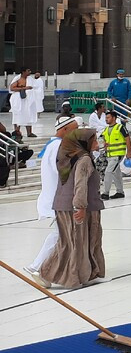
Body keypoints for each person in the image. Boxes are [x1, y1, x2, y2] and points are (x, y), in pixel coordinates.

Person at [39, 128, 105, 288]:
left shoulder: (69, 157)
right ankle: (50, 273)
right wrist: (80, 206)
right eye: (94, 141)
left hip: (62, 205)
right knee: (75, 242)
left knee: (72, 241)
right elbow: (80, 184)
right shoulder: (84, 160)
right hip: (76, 207)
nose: (97, 144)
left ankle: (85, 273)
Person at [23, 116, 80, 286]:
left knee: (63, 234)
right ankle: (37, 266)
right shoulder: (59, 147)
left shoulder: (53, 145)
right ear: (64, 130)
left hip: (56, 198)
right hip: (58, 200)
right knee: (61, 234)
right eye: (74, 129)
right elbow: (65, 173)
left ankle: (52, 269)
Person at [99, 111, 131, 200]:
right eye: (106, 118)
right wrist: (103, 144)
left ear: (114, 118)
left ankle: (105, 193)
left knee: (108, 172)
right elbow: (101, 139)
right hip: (109, 155)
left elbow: (128, 140)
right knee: (116, 174)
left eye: (108, 117)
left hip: (117, 155)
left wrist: (129, 152)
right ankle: (120, 192)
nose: (106, 119)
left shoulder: (120, 127)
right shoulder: (106, 129)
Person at [10, 68, 37, 138]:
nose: (30, 72)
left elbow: (34, 87)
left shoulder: (30, 79)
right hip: (19, 100)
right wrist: (24, 88)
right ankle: (17, 132)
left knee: (28, 115)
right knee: (18, 115)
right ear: (23, 72)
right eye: (28, 71)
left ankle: (29, 132)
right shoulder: (18, 79)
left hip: (27, 100)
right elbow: (12, 88)